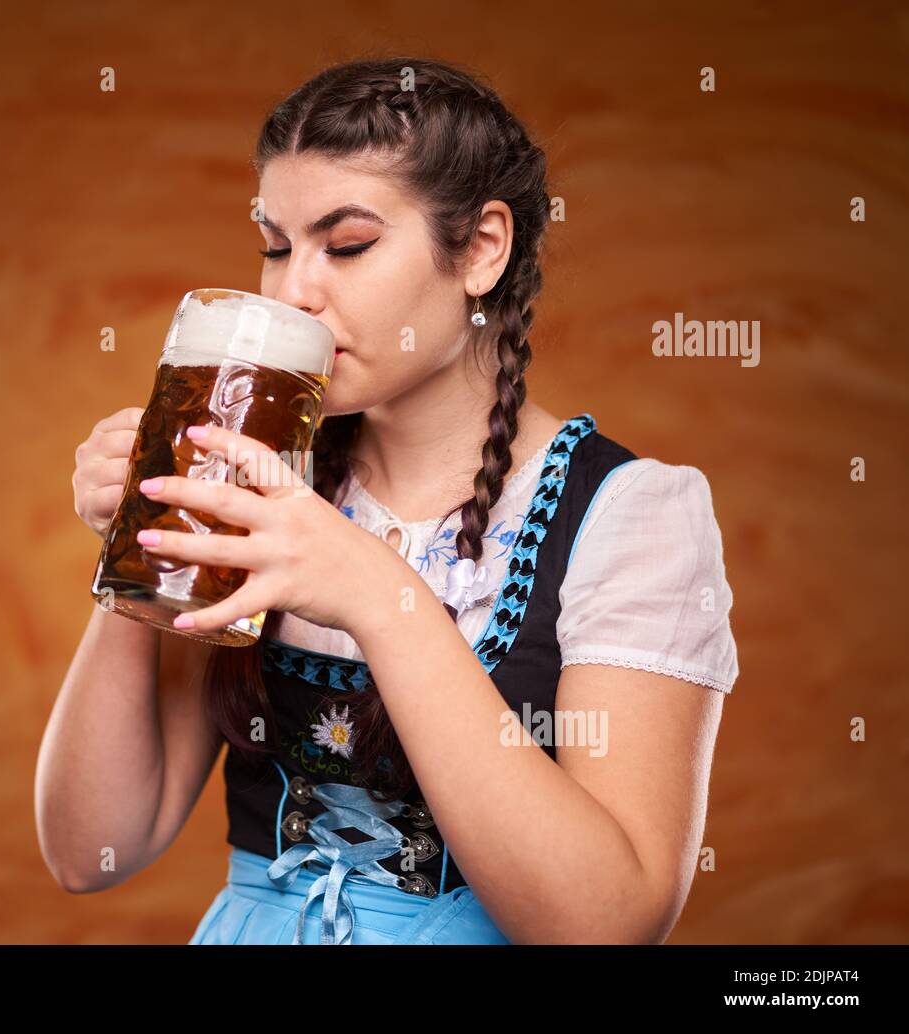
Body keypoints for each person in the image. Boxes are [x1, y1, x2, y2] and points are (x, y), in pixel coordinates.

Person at [39, 55, 739, 945]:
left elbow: (604, 925)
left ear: (483, 248)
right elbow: (89, 850)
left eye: (348, 245)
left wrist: (379, 595)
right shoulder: (266, 486)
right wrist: (142, 547)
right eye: (275, 244)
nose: (294, 290)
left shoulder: (632, 515)